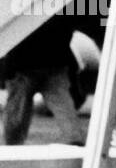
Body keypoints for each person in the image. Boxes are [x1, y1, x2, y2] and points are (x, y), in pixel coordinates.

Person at [1, 15, 84, 145]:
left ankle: (13, 146)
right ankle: (75, 140)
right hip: (55, 60)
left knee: (17, 111)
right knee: (63, 106)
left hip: (22, 64)